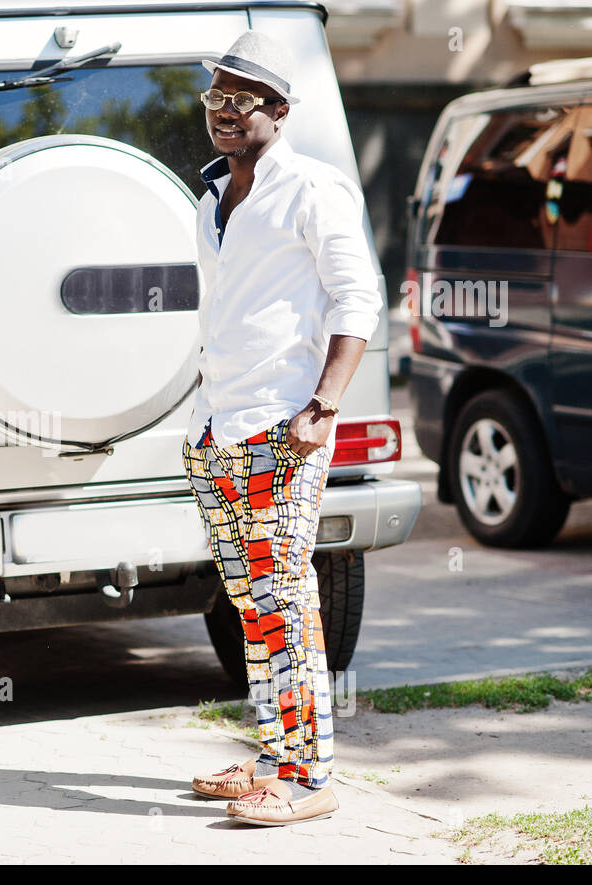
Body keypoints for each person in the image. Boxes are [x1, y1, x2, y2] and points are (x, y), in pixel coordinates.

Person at [182, 30, 382, 826]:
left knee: (288, 598)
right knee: (253, 605)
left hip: (283, 430)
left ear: (278, 110)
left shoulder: (313, 189)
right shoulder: (211, 199)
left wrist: (322, 406)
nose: (224, 113)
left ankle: (310, 779)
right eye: (215, 98)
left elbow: (356, 299)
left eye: (242, 100)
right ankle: (275, 754)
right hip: (216, 429)